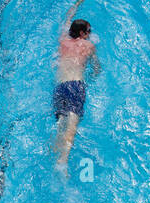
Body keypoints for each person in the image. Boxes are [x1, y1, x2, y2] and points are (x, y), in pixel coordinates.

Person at [52, 0, 100, 170]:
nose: (90, 33)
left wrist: (77, 4)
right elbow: (96, 69)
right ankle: (62, 161)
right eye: (89, 31)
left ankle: (55, 148)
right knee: (72, 127)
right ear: (82, 33)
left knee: (61, 122)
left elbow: (66, 20)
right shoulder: (88, 46)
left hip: (60, 86)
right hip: (75, 86)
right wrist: (95, 75)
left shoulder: (62, 40)